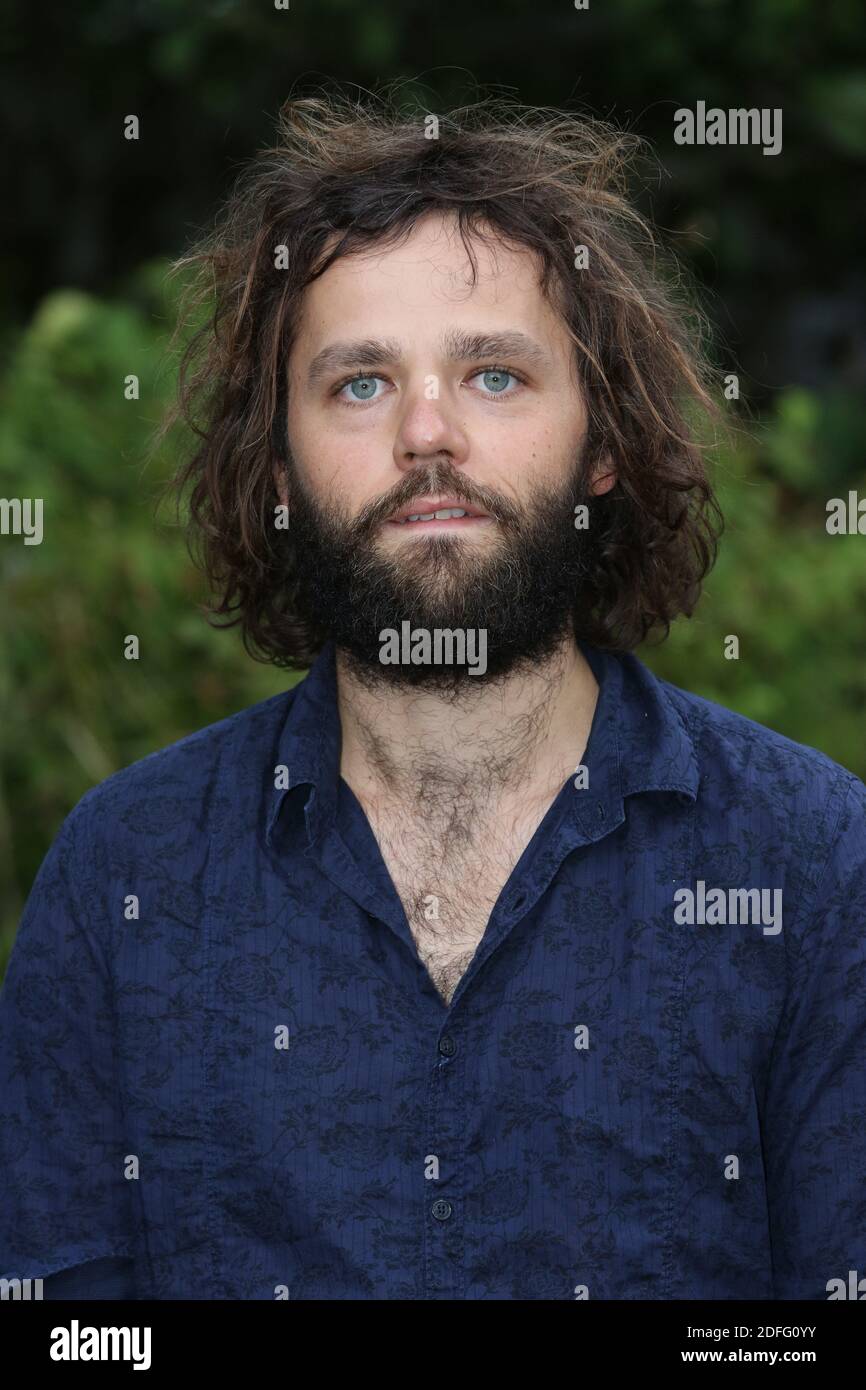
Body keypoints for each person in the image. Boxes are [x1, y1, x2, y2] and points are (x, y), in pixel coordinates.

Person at [2, 93, 864, 1302]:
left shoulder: (815, 864)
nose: (426, 432)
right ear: (281, 465)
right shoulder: (123, 876)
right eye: (358, 385)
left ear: (601, 443)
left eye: (495, 374)